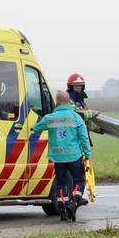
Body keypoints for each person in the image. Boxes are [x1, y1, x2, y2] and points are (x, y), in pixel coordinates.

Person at [31, 91, 91, 221]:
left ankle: (63, 207)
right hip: (74, 156)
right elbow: (84, 137)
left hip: (58, 156)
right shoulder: (76, 117)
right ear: (69, 102)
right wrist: (87, 154)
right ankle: (74, 201)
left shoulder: (50, 118)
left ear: (57, 102)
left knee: (61, 182)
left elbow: (36, 128)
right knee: (79, 180)